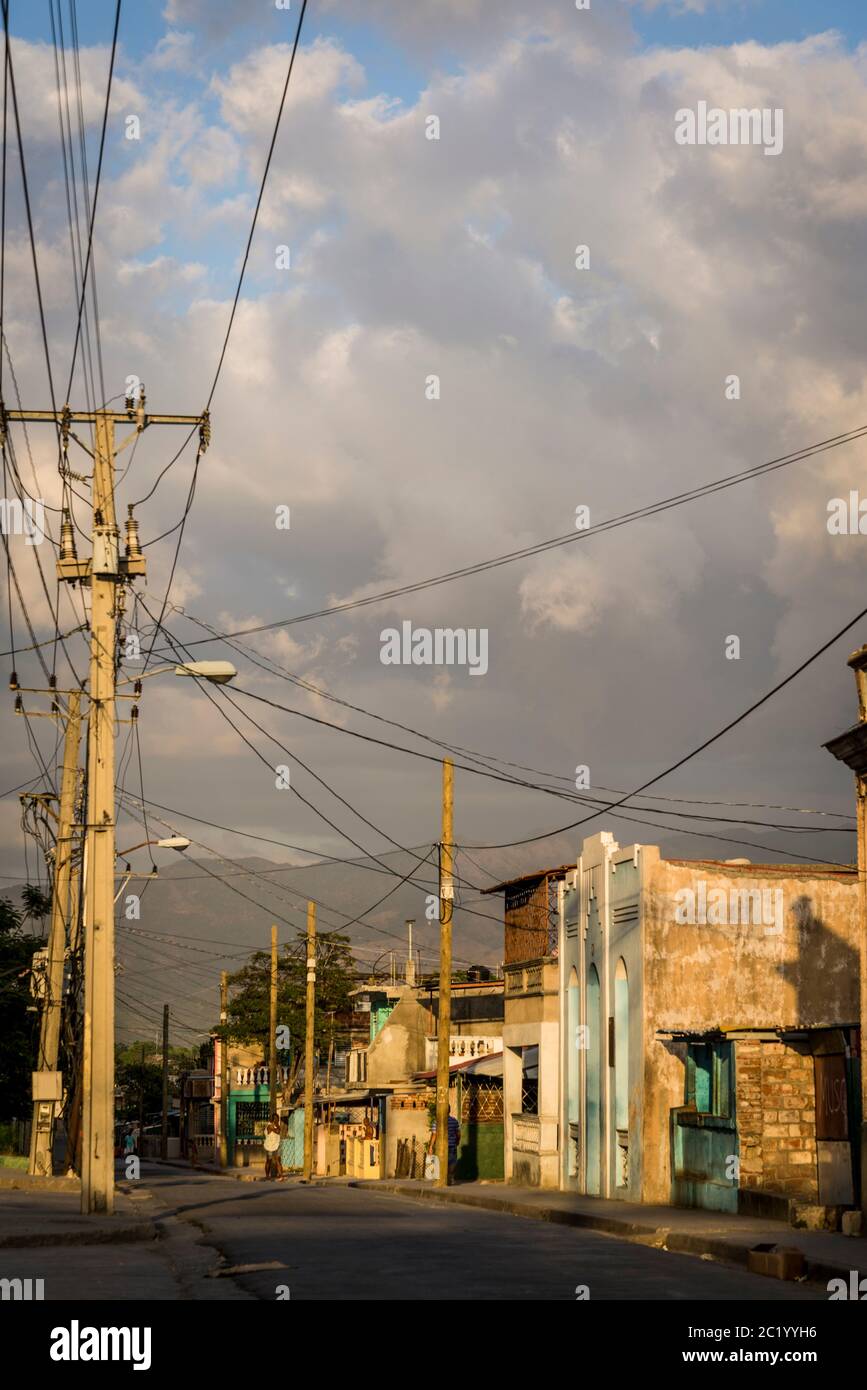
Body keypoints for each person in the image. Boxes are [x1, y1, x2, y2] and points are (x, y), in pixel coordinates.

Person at [428, 1111, 461, 1184]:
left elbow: (434, 1135)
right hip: (452, 1144)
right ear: (449, 1111)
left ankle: (442, 1178)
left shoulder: (437, 1122)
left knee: (440, 1162)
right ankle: (450, 1177)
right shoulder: (454, 1121)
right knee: (452, 1161)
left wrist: (431, 1146)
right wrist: (457, 1141)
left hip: (441, 1147)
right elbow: (458, 1133)